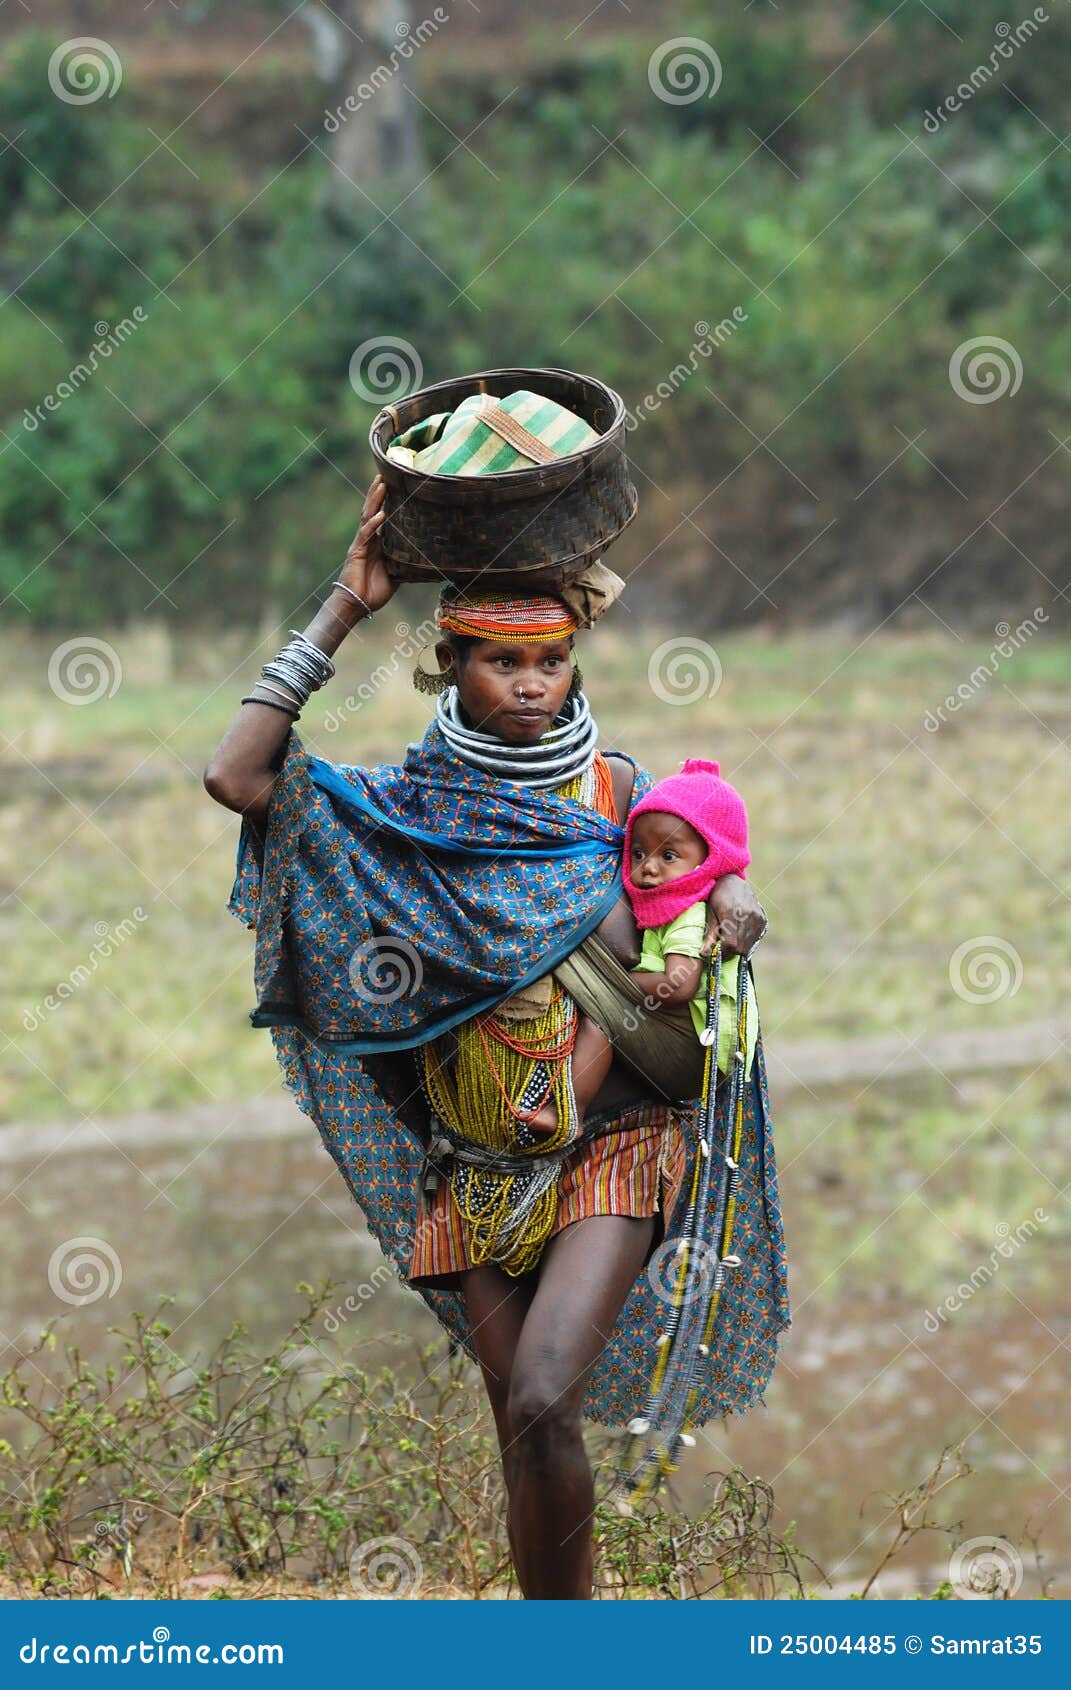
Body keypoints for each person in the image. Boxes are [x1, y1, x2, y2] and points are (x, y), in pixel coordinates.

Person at [204, 472, 789, 1600]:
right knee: (526, 1435)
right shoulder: (403, 814)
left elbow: (705, 870)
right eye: (500, 661)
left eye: (551, 661)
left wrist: (726, 911)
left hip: (615, 1144)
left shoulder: (618, 793)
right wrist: (345, 602)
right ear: (451, 668)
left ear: (577, 664)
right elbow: (237, 773)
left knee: (541, 1395)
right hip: (472, 1165)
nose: (530, 684)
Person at [526, 758, 759, 1136]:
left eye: (668, 856)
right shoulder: (664, 903)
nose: (648, 867)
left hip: (694, 1049)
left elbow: (680, 983)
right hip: (684, 1039)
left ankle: (569, 1111)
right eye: (638, 853)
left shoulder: (688, 914)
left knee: (599, 1022)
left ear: (710, 860)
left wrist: (611, 986)